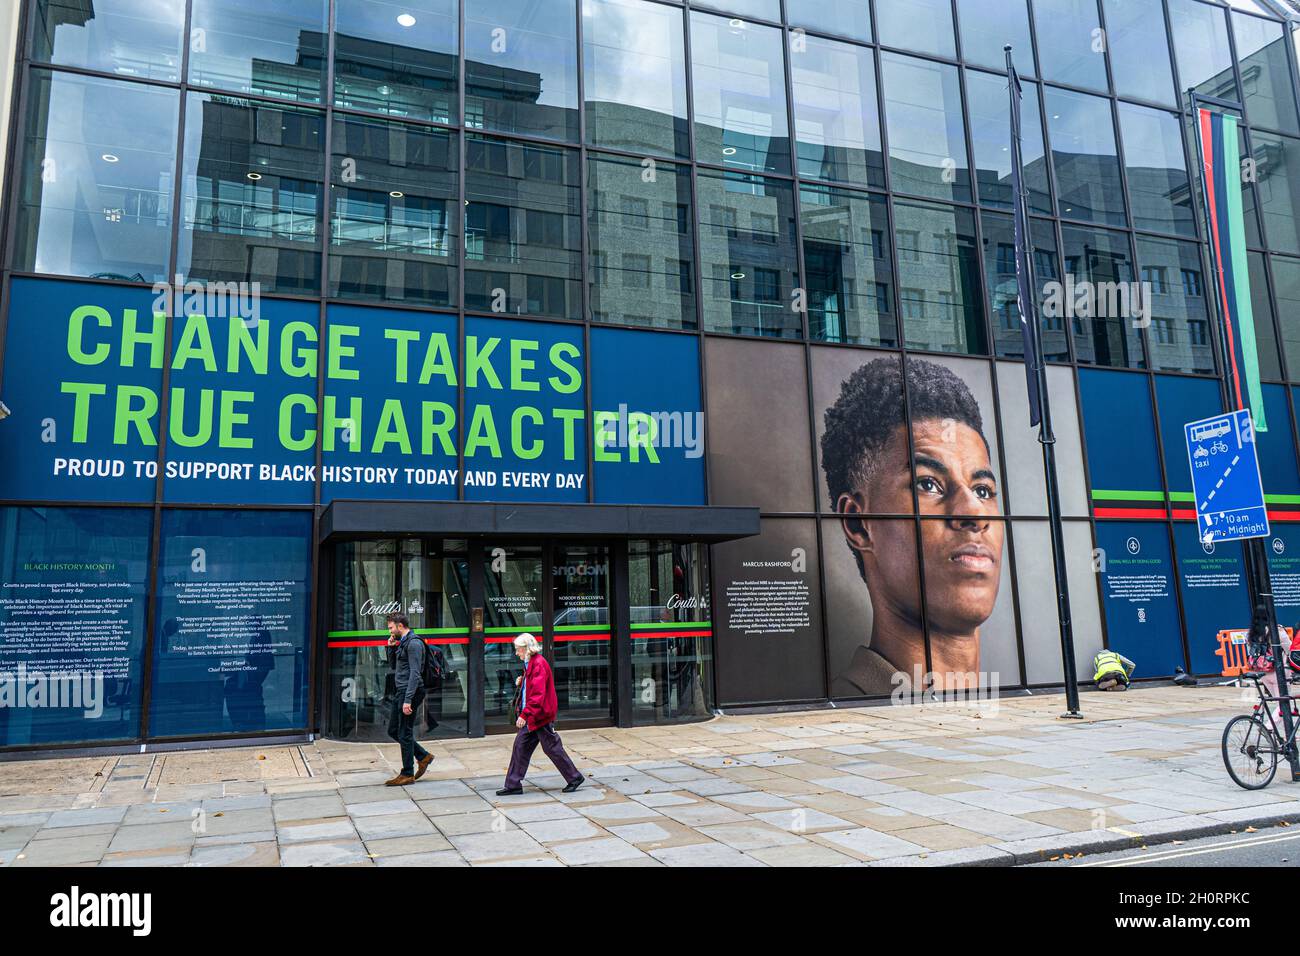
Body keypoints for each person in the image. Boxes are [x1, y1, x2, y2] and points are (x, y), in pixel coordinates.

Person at [822, 357, 1004, 696]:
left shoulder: (1005, 697)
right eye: (928, 484)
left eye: (983, 490)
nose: (974, 512)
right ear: (859, 524)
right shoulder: (849, 714)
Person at [496, 634, 584, 796]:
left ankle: (574, 777)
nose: (517, 653)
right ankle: (513, 784)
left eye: (518, 649)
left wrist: (524, 715)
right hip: (536, 716)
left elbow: (537, 695)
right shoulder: (530, 663)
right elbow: (534, 687)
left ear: (527, 648)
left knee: (551, 748)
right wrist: (523, 681)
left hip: (540, 716)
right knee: (521, 747)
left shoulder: (538, 664)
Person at [384, 613, 434, 786]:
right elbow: (394, 666)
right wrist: (390, 647)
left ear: (400, 626)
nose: (389, 631)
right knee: (393, 730)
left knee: (404, 732)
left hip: (410, 691)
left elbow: (415, 673)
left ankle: (407, 773)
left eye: (391, 627)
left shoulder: (413, 643)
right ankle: (423, 756)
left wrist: (408, 700)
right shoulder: (403, 642)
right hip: (402, 690)